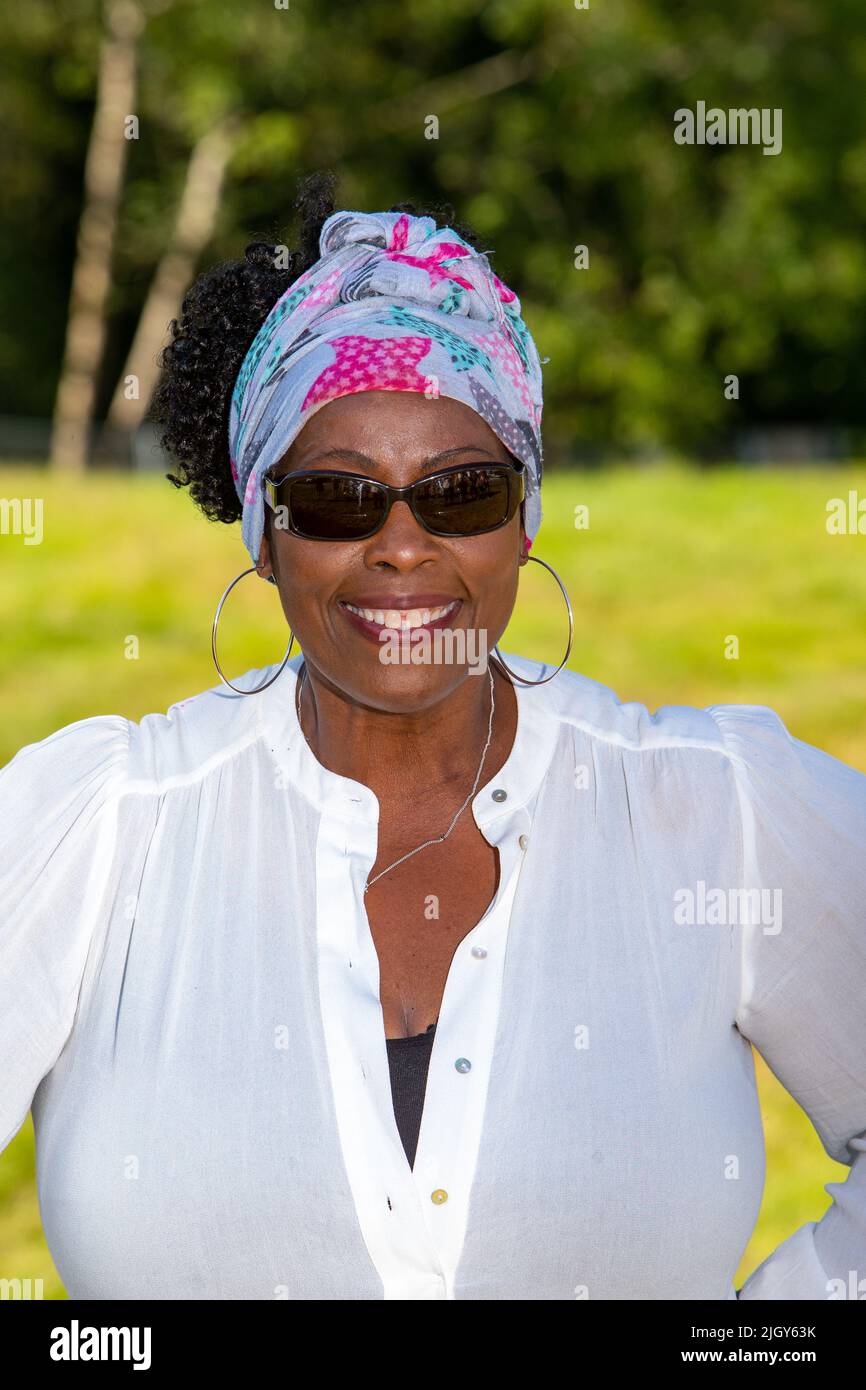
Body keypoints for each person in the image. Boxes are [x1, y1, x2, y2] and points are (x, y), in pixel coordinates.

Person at [1, 172, 864, 1301]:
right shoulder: (100, 824)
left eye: (459, 492)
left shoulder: (715, 811)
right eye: (336, 498)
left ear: (524, 517)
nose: (402, 547)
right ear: (264, 533)